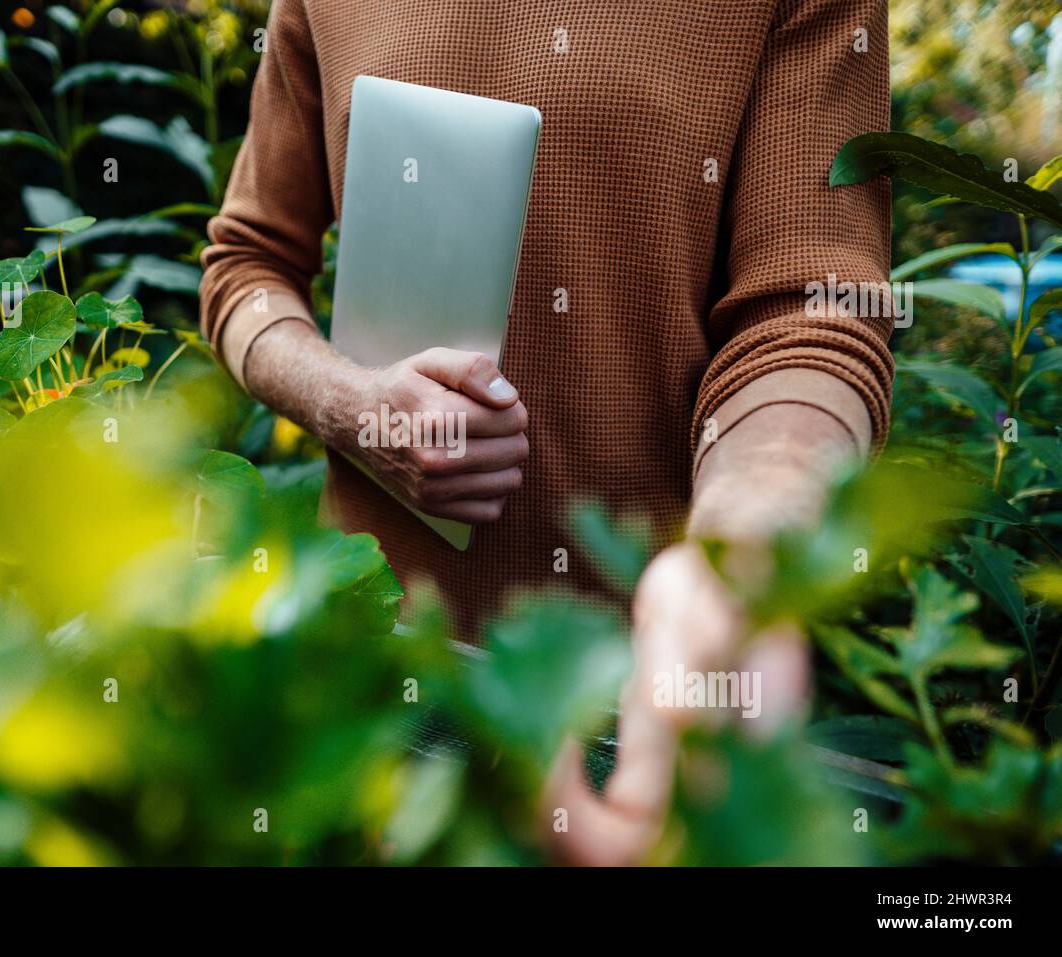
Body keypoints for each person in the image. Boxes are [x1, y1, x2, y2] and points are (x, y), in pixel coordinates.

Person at [199, 0, 892, 864]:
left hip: (632, 707)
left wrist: (737, 560)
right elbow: (249, 261)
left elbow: (811, 316)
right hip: (364, 681)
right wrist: (353, 406)